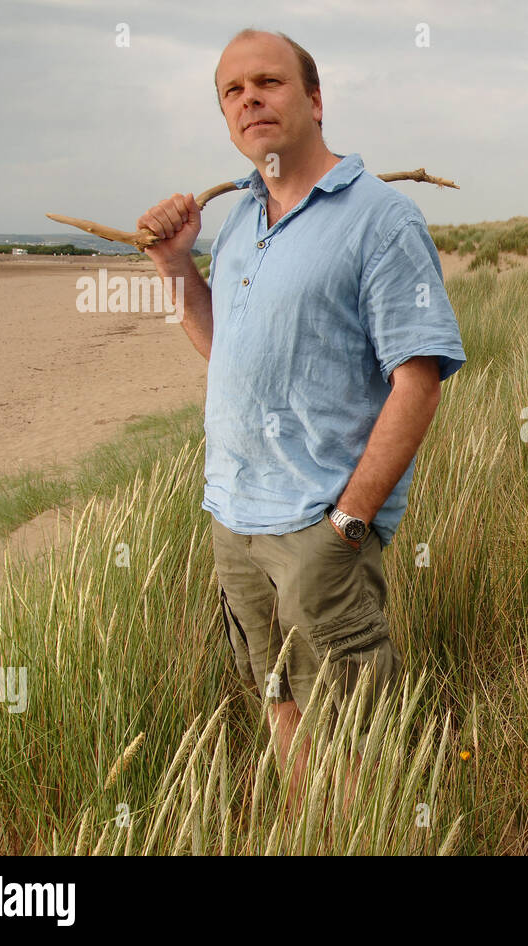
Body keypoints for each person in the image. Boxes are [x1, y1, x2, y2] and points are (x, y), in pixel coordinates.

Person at [137, 28, 466, 805]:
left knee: (350, 731)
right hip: (234, 519)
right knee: (279, 703)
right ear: (225, 119)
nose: (249, 98)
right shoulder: (241, 221)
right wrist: (176, 267)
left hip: (318, 527)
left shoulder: (381, 219)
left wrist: (348, 525)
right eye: (231, 91)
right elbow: (228, 353)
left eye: (268, 82)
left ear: (314, 100)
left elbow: (418, 381)